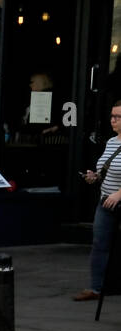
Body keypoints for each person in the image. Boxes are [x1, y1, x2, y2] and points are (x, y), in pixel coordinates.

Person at [73, 99, 121, 301]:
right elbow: (105, 170)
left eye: (118, 117)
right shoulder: (111, 142)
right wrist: (94, 176)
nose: (113, 120)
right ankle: (96, 287)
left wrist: (119, 193)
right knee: (99, 243)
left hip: (118, 200)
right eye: (112, 116)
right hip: (105, 202)